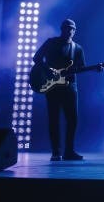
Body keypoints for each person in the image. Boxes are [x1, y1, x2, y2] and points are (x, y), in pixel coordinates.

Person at [31, 18, 91, 161]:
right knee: (54, 119)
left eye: (72, 29)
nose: (69, 31)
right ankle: (56, 152)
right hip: (52, 86)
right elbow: (36, 57)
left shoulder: (77, 48)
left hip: (70, 86)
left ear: (75, 31)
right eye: (66, 28)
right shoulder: (51, 43)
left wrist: (95, 69)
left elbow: (81, 68)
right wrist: (48, 69)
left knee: (73, 119)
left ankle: (69, 151)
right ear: (62, 29)